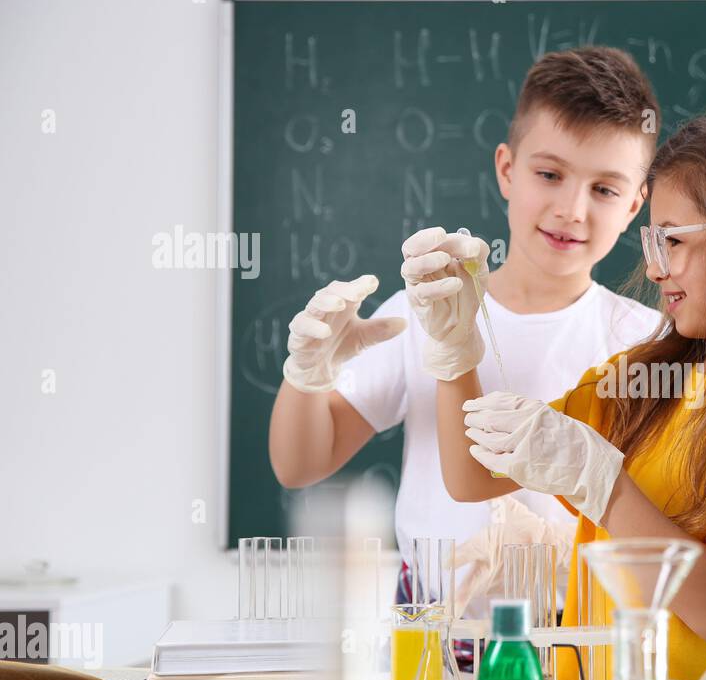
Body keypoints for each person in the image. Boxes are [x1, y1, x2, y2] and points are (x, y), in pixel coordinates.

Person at [423, 104, 706, 680]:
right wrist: (455, 357)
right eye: (652, 241)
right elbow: (473, 476)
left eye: (675, 241)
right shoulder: (639, 383)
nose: (654, 268)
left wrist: (606, 488)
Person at [268, 47, 663, 606]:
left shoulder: (644, 341)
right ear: (506, 169)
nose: (573, 209)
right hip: (430, 631)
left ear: (635, 205)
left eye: (605, 189)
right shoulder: (424, 308)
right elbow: (299, 464)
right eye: (549, 174)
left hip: (579, 639)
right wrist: (307, 374)